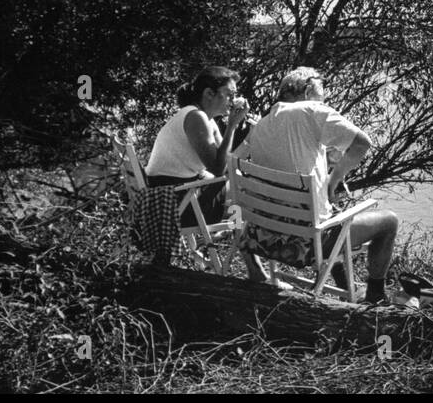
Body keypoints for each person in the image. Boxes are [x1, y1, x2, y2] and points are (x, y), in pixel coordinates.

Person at [241, 66, 399, 303]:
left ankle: (348, 290)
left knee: (334, 214)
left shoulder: (261, 126)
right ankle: (376, 297)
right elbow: (361, 144)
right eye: (321, 95)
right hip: (306, 243)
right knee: (389, 221)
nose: (324, 101)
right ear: (306, 90)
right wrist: (334, 180)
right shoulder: (312, 110)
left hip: (263, 238)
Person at [146, 65, 268, 282]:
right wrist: (231, 126)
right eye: (229, 95)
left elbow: (227, 162)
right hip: (174, 206)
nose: (232, 100)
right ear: (209, 94)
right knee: (245, 198)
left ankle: (242, 256)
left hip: (175, 197)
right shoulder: (196, 118)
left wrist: (251, 136)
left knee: (242, 191)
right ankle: (253, 266)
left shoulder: (205, 118)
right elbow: (217, 168)